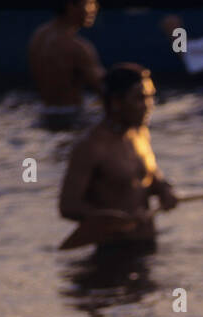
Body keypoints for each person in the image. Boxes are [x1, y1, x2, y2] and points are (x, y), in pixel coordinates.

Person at [59, 64, 178, 255]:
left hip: (148, 245)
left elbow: (151, 175)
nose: (149, 105)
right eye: (140, 98)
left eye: (150, 96)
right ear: (116, 102)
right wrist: (116, 219)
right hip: (111, 253)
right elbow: (68, 206)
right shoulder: (90, 147)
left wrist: (165, 189)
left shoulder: (140, 134)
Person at [28, 0, 106, 131]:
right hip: (72, 119)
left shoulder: (39, 36)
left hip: (44, 115)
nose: (95, 8)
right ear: (71, 6)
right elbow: (107, 90)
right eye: (89, 3)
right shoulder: (77, 48)